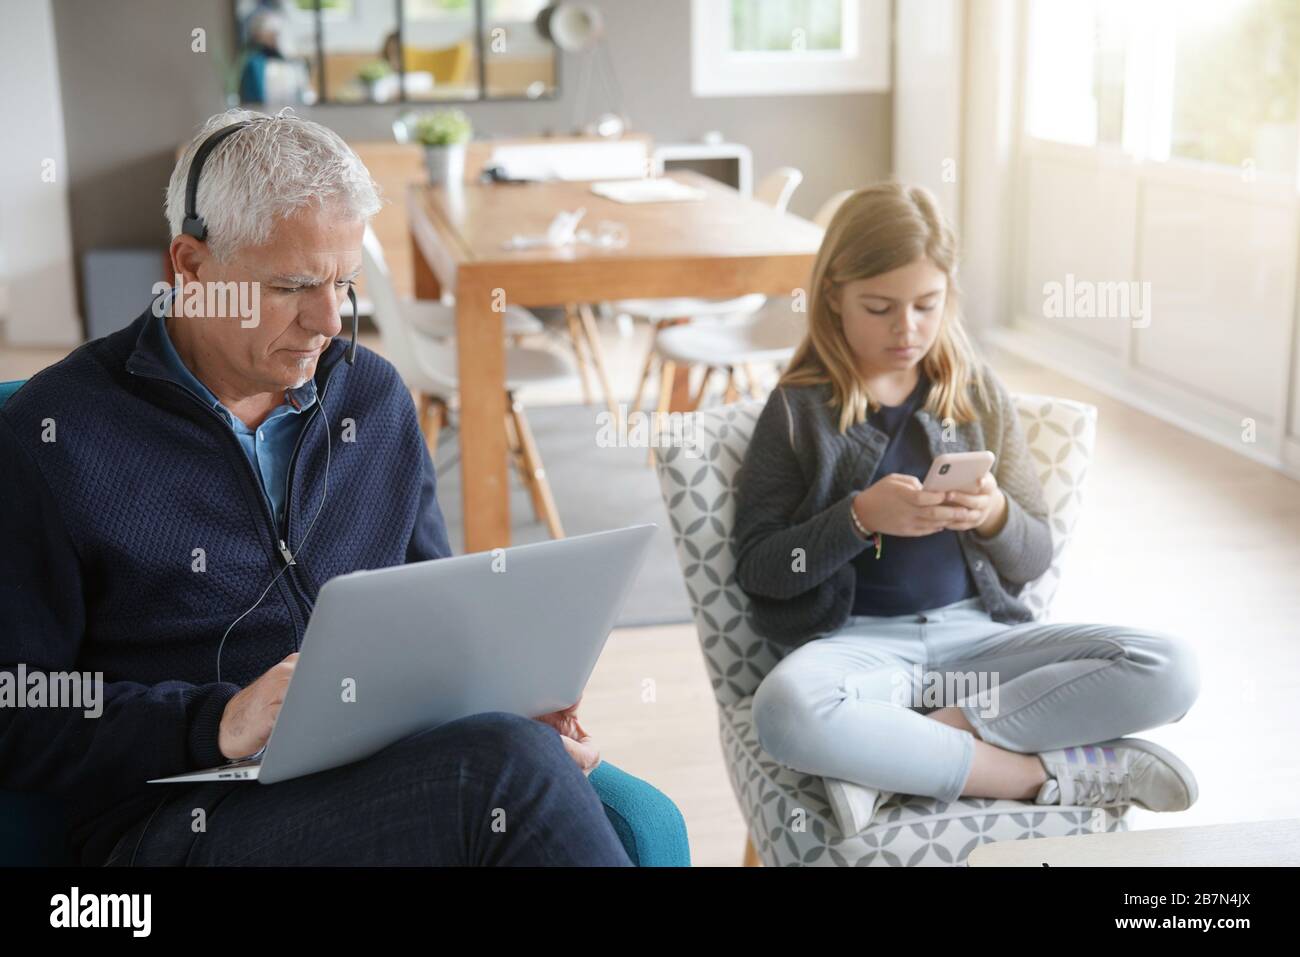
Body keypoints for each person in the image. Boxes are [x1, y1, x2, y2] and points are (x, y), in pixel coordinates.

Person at [0, 109, 630, 866]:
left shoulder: (374, 399)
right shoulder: (54, 435)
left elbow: (437, 610)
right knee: (507, 777)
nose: (330, 320)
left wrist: (509, 696)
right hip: (178, 821)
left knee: (524, 763)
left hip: (368, 779)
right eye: (293, 285)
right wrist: (218, 720)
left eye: (345, 282)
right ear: (191, 267)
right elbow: (18, 710)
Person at [734, 182, 1200, 816]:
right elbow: (762, 570)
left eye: (927, 305)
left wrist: (994, 514)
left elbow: (1032, 558)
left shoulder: (976, 393)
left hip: (981, 647)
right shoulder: (797, 409)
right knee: (785, 711)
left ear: (948, 295)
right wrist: (859, 517)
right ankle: (1037, 775)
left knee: (1169, 667)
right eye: (879, 307)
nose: (908, 328)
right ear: (832, 297)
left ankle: (902, 755)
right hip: (863, 651)